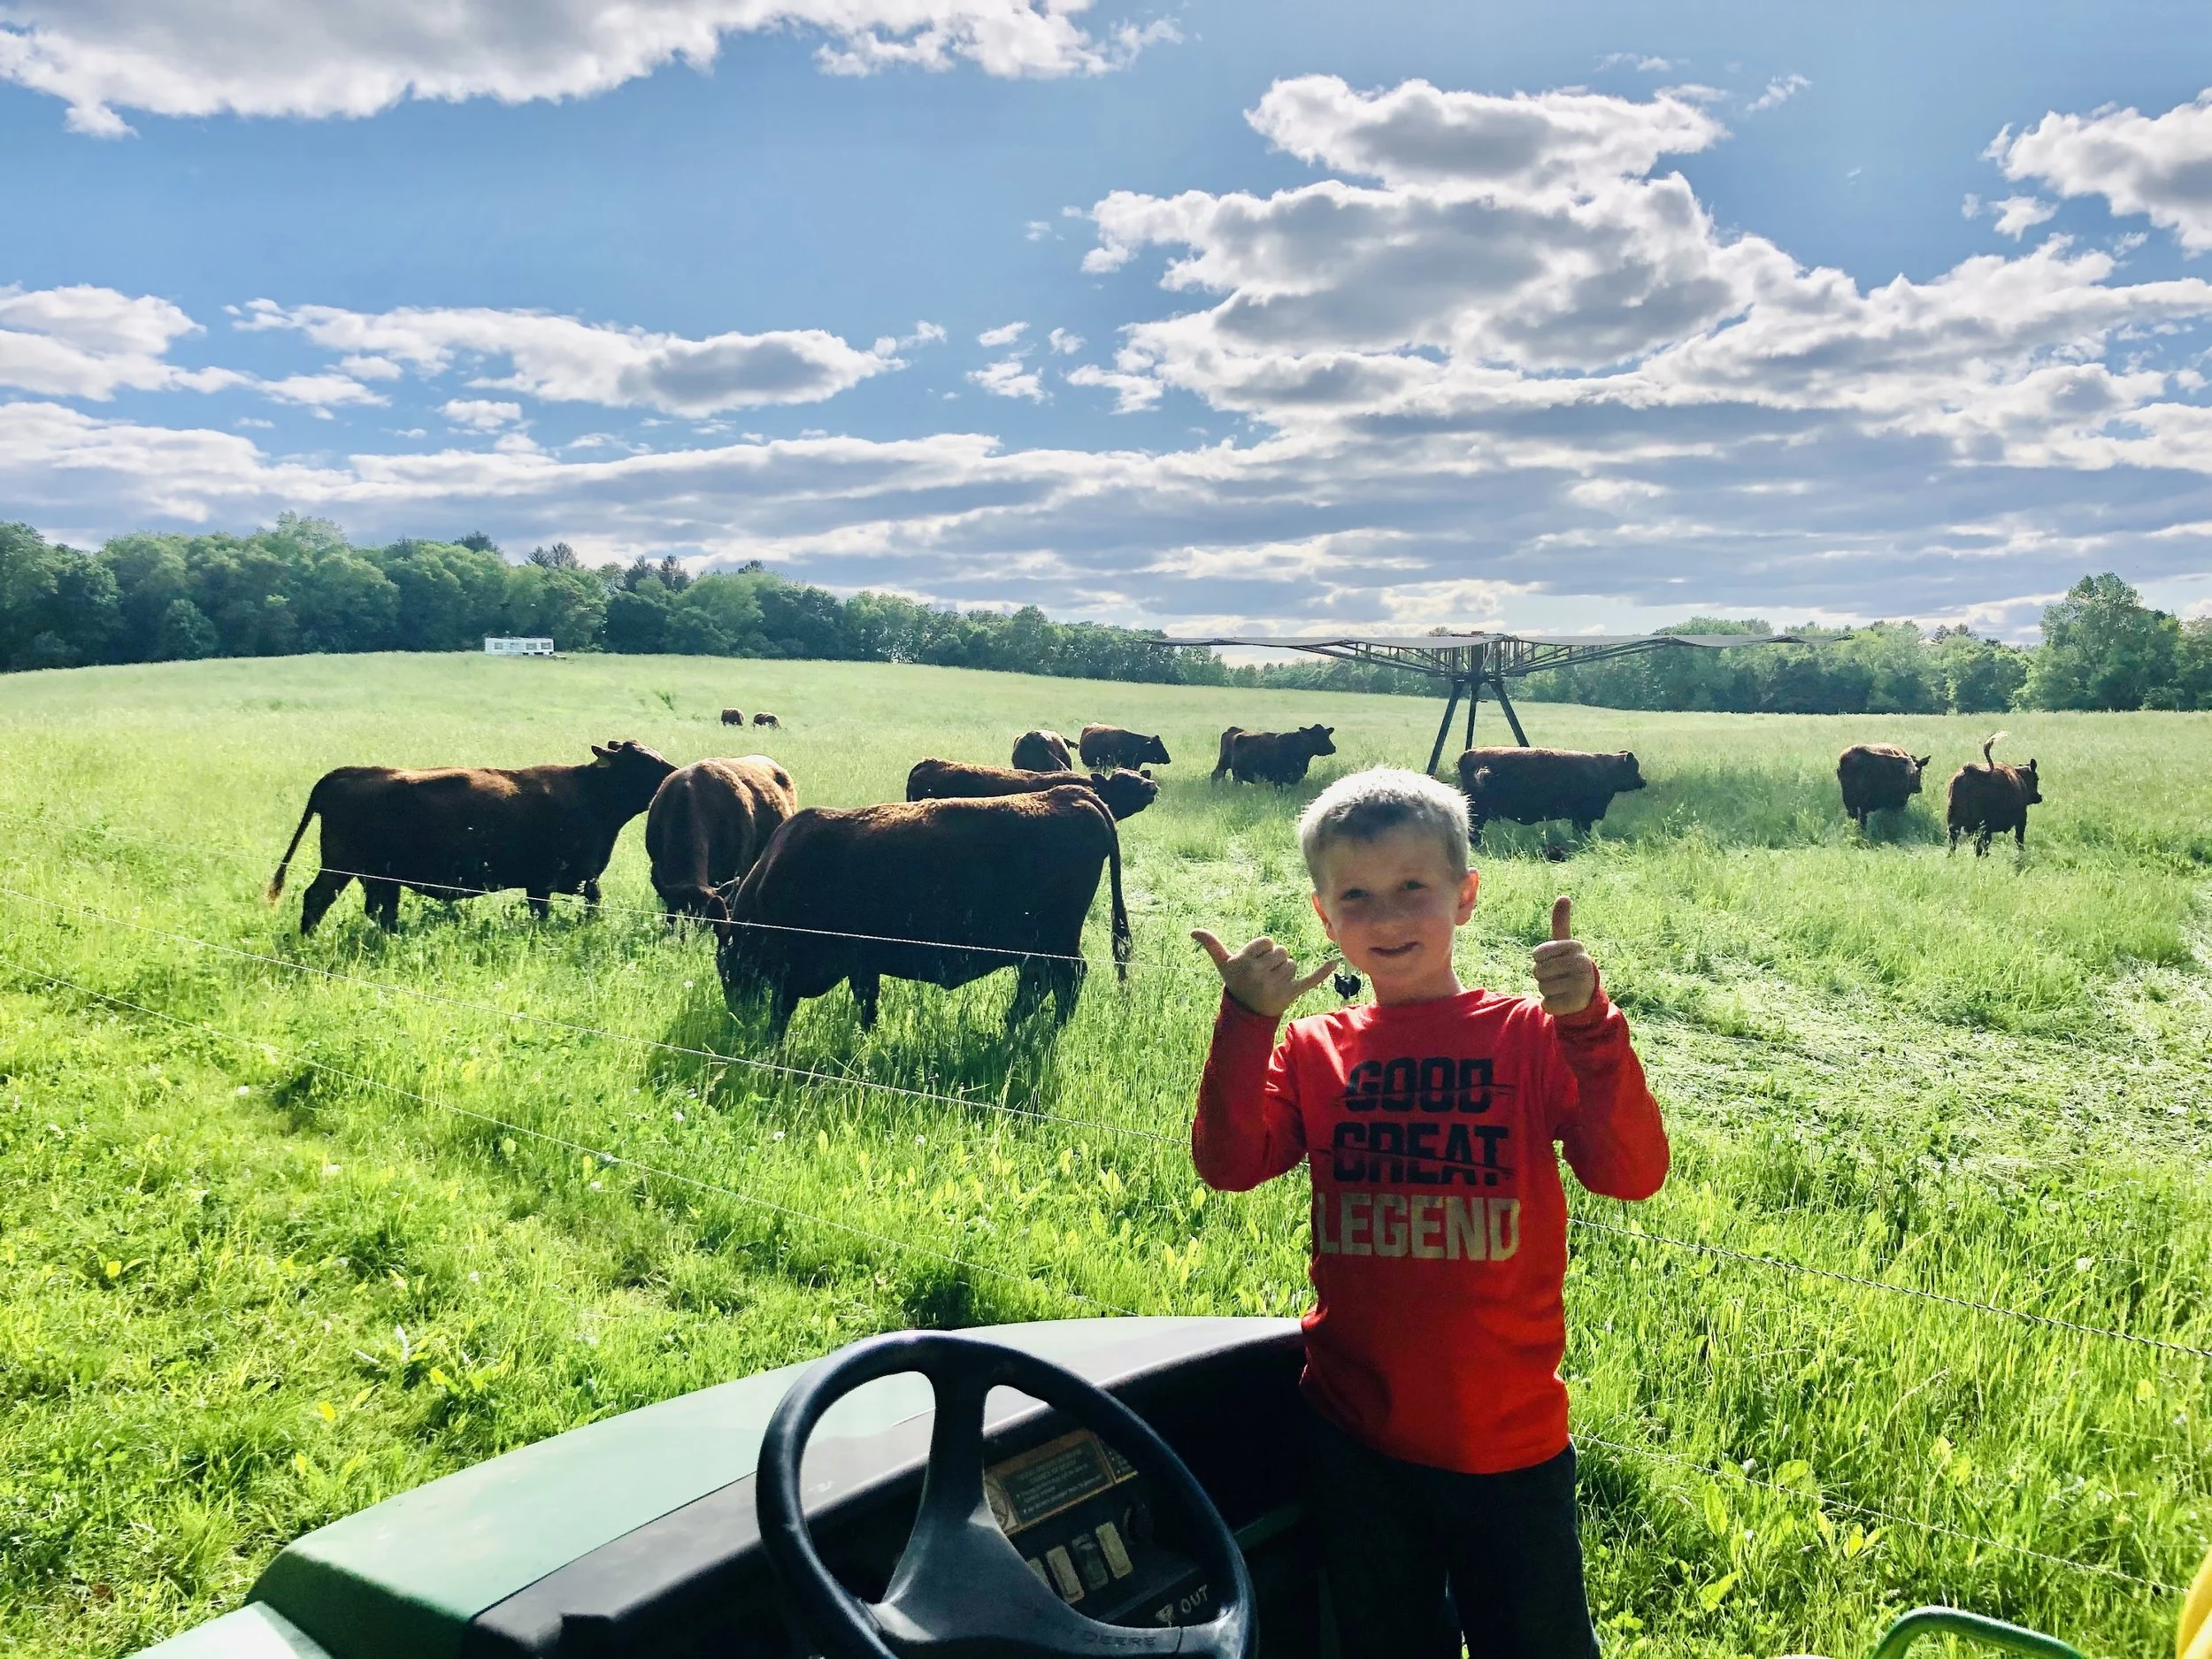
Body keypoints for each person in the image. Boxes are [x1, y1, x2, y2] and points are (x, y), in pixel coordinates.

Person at [1190, 767, 1669, 1659]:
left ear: (1466, 897)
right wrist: (1245, 1020)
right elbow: (1229, 1164)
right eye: (1357, 897)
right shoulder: (1312, 1045)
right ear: (1325, 917)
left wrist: (1591, 1027)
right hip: (1353, 1436)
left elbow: (1629, 1174)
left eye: (1414, 887)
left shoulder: (1526, 1035)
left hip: (1509, 1437)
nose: (1386, 917)